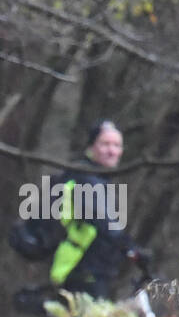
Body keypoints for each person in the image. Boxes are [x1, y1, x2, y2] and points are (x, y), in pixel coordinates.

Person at [47, 119, 152, 301]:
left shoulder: (95, 178)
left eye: (117, 145)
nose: (112, 151)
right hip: (79, 270)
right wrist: (132, 249)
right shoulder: (85, 179)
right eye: (105, 144)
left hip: (90, 270)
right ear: (91, 147)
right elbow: (103, 222)